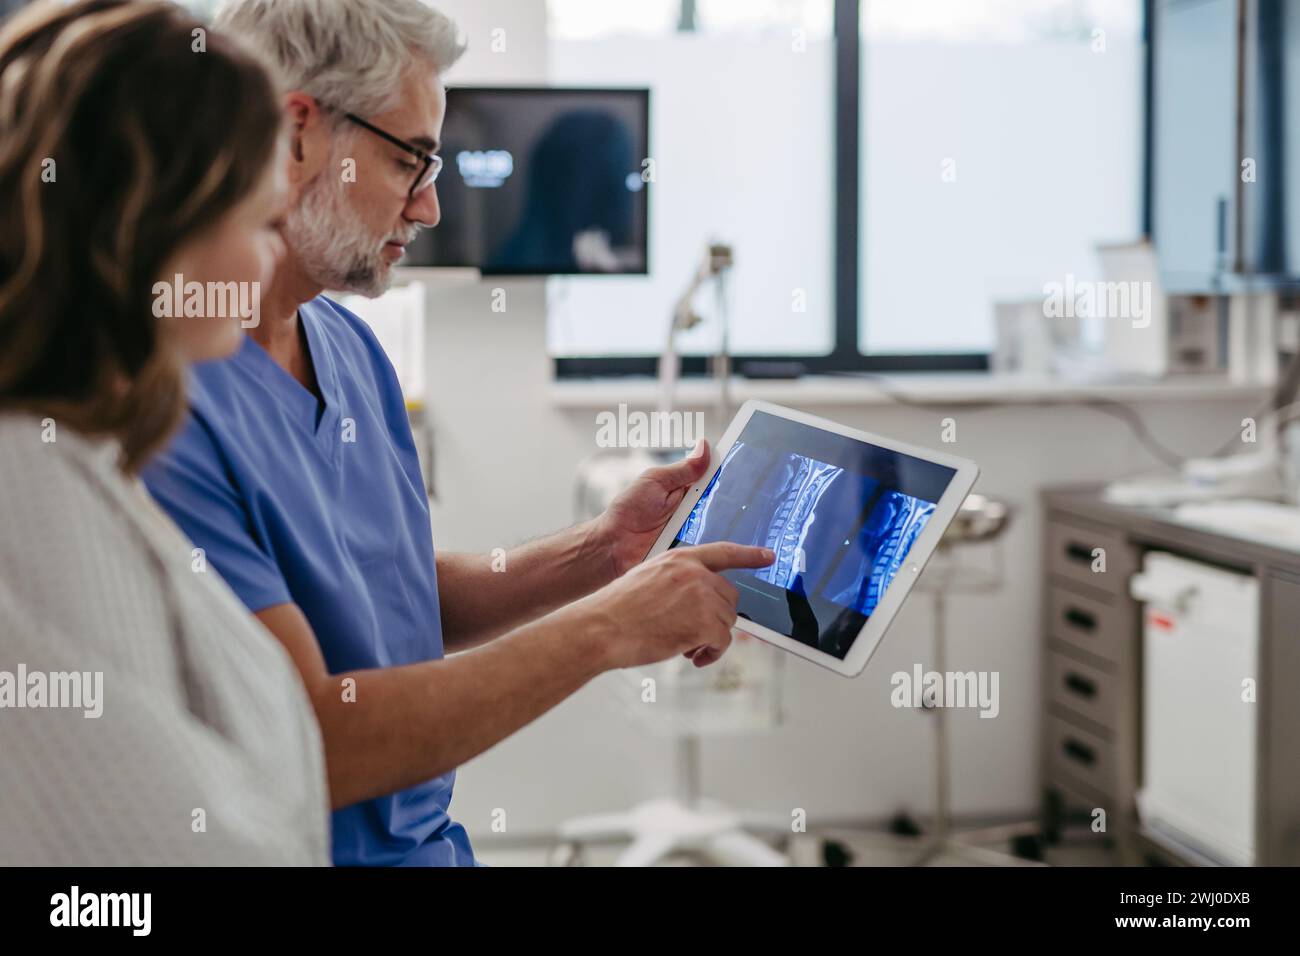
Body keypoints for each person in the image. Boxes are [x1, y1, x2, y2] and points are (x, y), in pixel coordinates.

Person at [143, 0, 774, 867]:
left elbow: (388, 602)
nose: (432, 207)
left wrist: (600, 554)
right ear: (298, 137)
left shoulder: (349, 347)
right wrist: (605, 630)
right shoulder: (163, 405)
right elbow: (320, 739)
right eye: (413, 160)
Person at [0, 0, 329, 864]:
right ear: (155, 224)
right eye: (260, 223)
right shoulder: (25, 485)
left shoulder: (82, 457)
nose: (273, 253)